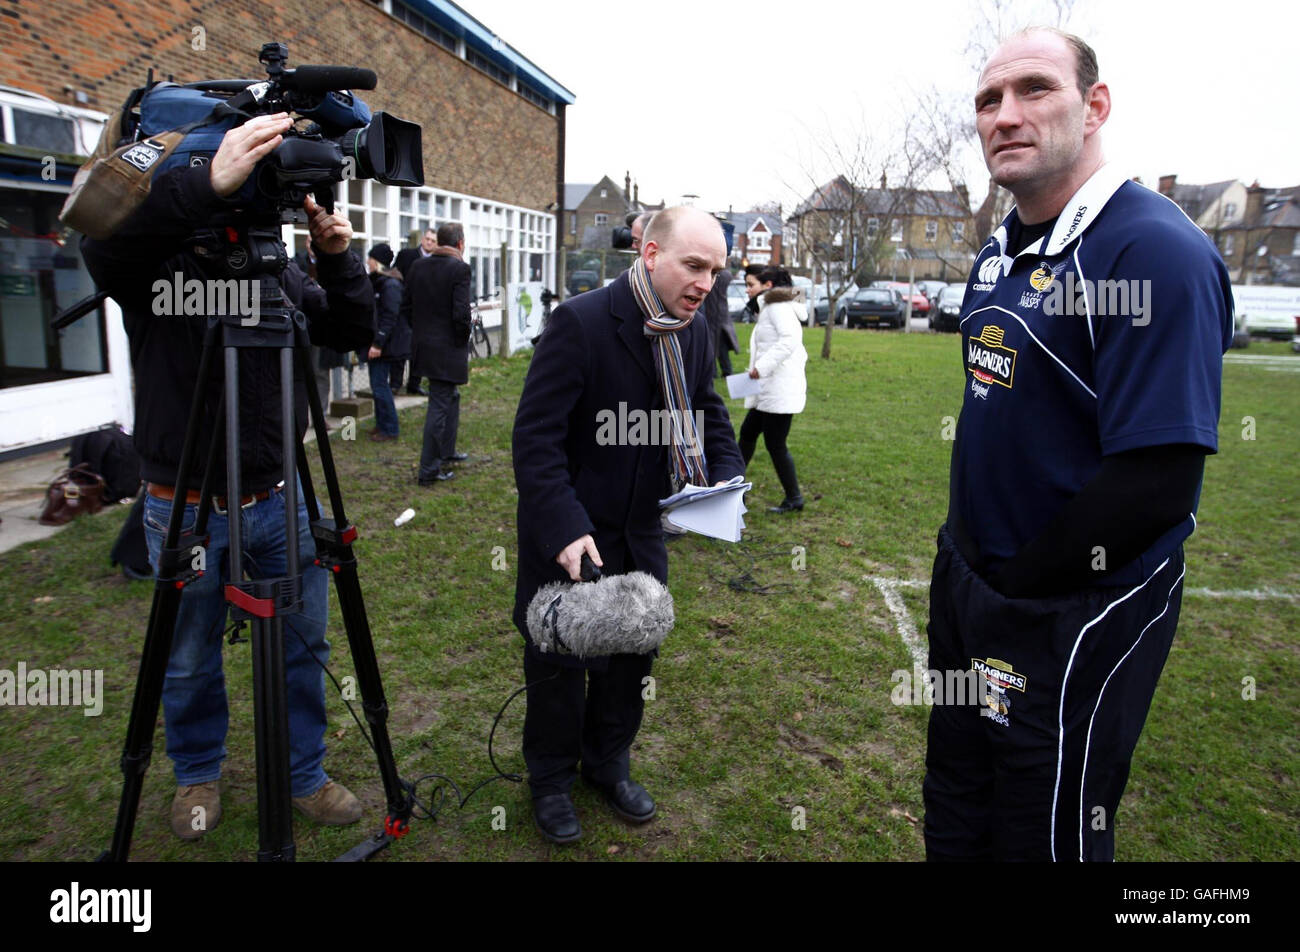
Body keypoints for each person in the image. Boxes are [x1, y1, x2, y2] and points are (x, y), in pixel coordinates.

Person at [923, 28, 1234, 862]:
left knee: (1041, 829)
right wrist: (963, 562)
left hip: (1066, 612)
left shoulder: (1154, 251)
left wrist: (1021, 587)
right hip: (969, 584)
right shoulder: (1000, 249)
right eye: (988, 100)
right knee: (955, 804)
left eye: (1034, 90)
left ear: (1095, 106)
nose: (1005, 115)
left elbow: (1159, 483)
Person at [81, 112, 375, 839]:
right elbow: (102, 233)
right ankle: (197, 775)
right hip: (181, 505)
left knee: (306, 646)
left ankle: (303, 773)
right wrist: (203, 186)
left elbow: (348, 332)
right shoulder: (152, 268)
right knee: (188, 660)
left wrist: (336, 258)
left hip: (283, 497)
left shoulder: (274, 271)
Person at [512, 205, 744, 844]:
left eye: (716, 271)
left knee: (631, 662)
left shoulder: (695, 328)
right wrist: (562, 525)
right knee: (559, 667)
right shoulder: (581, 323)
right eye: (693, 265)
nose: (705, 283)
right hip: (574, 539)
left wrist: (725, 478)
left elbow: (705, 407)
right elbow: (536, 438)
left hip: (644, 533)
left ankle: (607, 762)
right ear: (649, 254)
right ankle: (552, 779)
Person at [401, 221, 471, 485]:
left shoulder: (418, 266)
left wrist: (420, 334)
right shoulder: (460, 269)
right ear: (460, 244)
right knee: (439, 405)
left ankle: (447, 451)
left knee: (450, 397)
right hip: (447, 347)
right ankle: (429, 470)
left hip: (423, 346)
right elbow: (462, 313)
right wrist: (460, 341)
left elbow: (405, 307)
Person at [737, 266, 807, 513]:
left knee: (774, 444)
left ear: (767, 286)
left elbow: (789, 340)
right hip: (768, 388)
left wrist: (761, 367)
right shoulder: (770, 306)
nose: (747, 290)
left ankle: (794, 499)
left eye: (750, 284)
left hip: (779, 388)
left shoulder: (777, 307)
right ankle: (734, 490)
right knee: (747, 435)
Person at [364, 243, 409, 442]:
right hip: (381, 343)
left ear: (377, 261)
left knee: (380, 386)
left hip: (386, 345)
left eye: (370, 259)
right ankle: (382, 424)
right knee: (377, 385)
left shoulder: (390, 285)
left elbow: (389, 317)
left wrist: (378, 343)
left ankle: (390, 429)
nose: (368, 262)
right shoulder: (379, 282)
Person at [393, 227, 437, 396]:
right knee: (401, 348)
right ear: (422, 239)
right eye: (427, 239)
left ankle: (414, 383)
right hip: (405, 309)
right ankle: (395, 384)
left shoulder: (436, 260)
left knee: (419, 351)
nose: (429, 242)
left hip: (424, 313)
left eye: (433, 241)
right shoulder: (407, 255)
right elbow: (394, 273)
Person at [702, 266, 738, 377]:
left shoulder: (721, 274)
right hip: (717, 313)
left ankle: (717, 372)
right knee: (719, 347)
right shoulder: (725, 274)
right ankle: (723, 371)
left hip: (716, 314)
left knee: (715, 346)